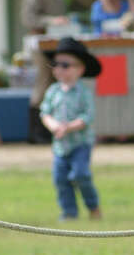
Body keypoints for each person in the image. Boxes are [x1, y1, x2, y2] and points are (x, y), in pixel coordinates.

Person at [39, 36, 103, 221]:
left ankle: (93, 205)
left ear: (80, 69)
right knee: (60, 179)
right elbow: (45, 113)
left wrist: (68, 127)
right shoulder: (53, 92)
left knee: (80, 174)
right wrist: (54, 126)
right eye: (56, 64)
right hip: (60, 146)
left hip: (80, 144)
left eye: (65, 65)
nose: (59, 69)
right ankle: (69, 213)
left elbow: (87, 117)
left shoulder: (83, 93)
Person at [21, 0, 70, 142]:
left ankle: (48, 129)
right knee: (42, 83)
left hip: (54, 42)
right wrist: (53, 21)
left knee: (52, 83)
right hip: (40, 41)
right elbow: (28, 17)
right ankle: (35, 132)